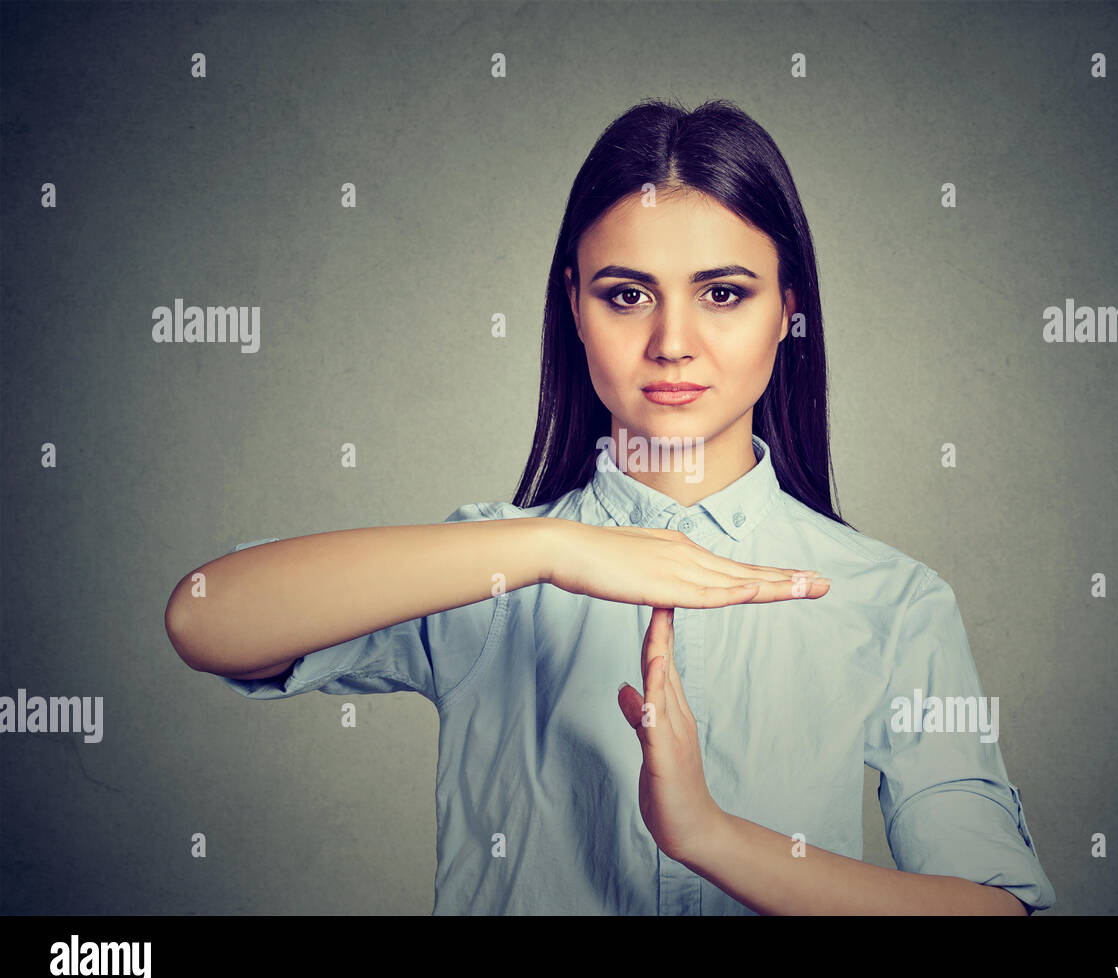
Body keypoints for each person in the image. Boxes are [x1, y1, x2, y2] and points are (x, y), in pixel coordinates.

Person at [164, 98, 1055, 916]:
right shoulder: (491, 570)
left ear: (788, 311)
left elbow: (995, 909)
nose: (672, 342)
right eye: (627, 295)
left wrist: (709, 835)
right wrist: (552, 548)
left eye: (723, 293)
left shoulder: (891, 601)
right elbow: (205, 619)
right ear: (575, 308)